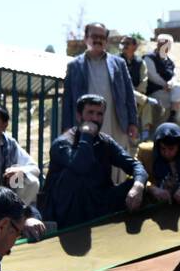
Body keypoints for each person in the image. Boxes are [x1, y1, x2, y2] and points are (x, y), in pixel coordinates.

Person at [39, 95, 147, 230]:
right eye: (90, 113)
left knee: (143, 188)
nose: (95, 118)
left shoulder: (105, 141)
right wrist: (86, 135)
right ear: (79, 116)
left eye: (99, 114)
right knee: (74, 176)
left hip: (98, 202)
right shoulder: (62, 143)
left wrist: (138, 186)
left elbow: (135, 165)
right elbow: (81, 166)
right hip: (69, 210)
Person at [62, 22, 139, 156]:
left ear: (106, 41)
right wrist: (67, 128)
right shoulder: (74, 66)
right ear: (86, 38)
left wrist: (133, 122)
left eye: (102, 37)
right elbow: (68, 100)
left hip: (116, 123)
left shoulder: (118, 64)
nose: (98, 40)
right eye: (94, 36)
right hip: (86, 125)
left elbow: (129, 94)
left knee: (116, 165)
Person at [137, 122, 180, 206]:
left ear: (179, 146)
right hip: (151, 204)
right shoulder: (145, 153)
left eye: (171, 149)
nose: (167, 153)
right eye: (163, 148)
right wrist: (152, 189)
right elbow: (133, 176)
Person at [143, 34, 180, 127]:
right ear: (158, 44)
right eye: (162, 44)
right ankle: (175, 121)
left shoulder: (169, 62)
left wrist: (170, 84)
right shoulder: (149, 57)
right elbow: (152, 76)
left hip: (168, 90)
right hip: (155, 90)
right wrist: (164, 84)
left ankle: (175, 122)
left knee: (179, 92)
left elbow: (174, 76)